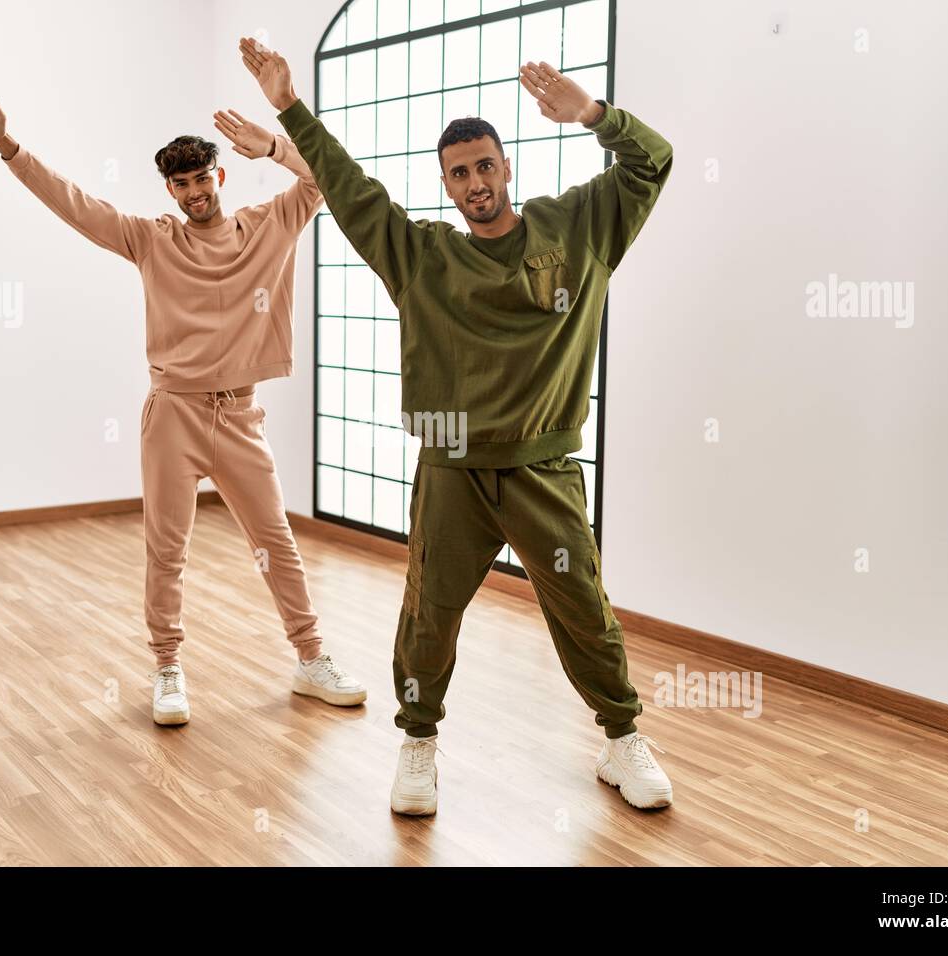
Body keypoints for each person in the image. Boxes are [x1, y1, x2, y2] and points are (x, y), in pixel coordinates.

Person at [238, 40, 673, 814]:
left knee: (586, 612)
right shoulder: (423, 257)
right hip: (453, 473)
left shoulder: (577, 228)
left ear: (506, 168)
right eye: (460, 172)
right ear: (447, 184)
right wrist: (288, 108)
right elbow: (350, 188)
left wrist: (594, 116)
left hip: (544, 471)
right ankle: (417, 742)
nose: (476, 181)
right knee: (429, 615)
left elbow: (653, 164)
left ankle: (621, 738)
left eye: (485, 165)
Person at [0, 78, 366, 726]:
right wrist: (8, 147)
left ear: (220, 175)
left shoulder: (271, 223)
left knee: (275, 541)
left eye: (202, 178)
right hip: (173, 413)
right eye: (182, 185)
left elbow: (330, 178)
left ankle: (312, 659)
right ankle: (168, 668)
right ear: (169, 191)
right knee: (166, 548)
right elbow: (77, 205)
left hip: (239, 415)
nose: (195, 192)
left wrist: (276, 146)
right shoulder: (152, 240)